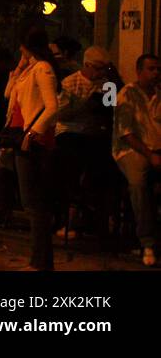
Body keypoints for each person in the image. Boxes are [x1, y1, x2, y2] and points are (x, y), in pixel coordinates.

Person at [4, 27, 60, 271]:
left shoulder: (43, 69)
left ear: (29, 46)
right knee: (31, 202)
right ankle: (40, 260)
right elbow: (8, 94)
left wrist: (33, 132)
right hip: (21, 137)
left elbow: (52, 106)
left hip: (33, 141)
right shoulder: (28, 70)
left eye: (22, 46)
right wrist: (18, 68)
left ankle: (40, 262)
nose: (19, 50)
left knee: (34, 203)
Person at [54, 45, 115, 240]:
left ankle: (94, 217)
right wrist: (85, 106)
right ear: (87, 65)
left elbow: (111, 113)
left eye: (104, 69)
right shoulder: (70, 83)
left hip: (95, 134)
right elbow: (60, 114)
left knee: (102, 168)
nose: (101, 73)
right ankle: (71, 215)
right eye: (98, 68)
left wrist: (104, 106)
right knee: (72, 164)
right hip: (71, 132)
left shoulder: (107, 85)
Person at [113, 53, 161, 266]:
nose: (156, 73)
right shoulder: (127, 94)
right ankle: (147, 242)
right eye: (151, 69)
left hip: (157, 149)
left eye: (157, 69)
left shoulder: (159, 95)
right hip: (131, 150)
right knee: (138, 181)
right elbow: (126, 133)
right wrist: (149, 154)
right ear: (139, 71)